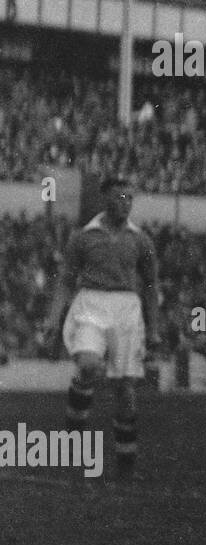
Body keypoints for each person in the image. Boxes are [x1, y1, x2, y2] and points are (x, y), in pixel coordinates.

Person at [38, 177, 160, 480]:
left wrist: (154, 329)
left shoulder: (141, 240)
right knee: (89, 365)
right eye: (120, 197)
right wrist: (53, 320)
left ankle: (126, 463)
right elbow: (66, 281)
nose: (126, 203)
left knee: (125, 389)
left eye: (130, 198)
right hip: (91, 304)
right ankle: (75, 427)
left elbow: (150, 285)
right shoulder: (83, 236)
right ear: (105, 199)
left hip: (126, 309)